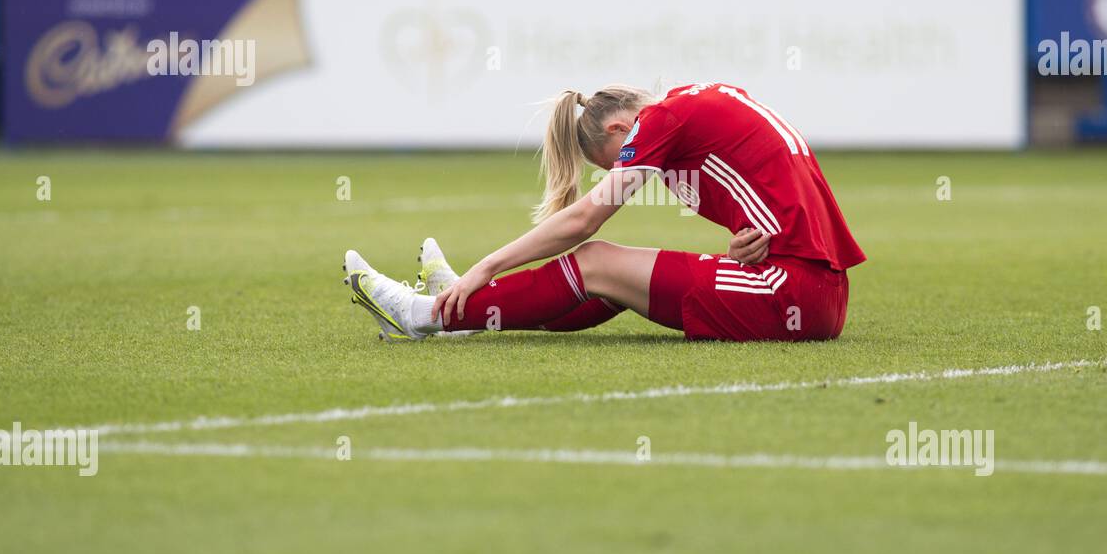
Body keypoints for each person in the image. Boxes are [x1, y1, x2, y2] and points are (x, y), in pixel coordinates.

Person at [342, 83, 865, 343]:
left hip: (793, 292)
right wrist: (744, 247)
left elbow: (583, 220)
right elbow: (782, 197)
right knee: (613, 281)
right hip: (815, 290)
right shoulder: (704, 102)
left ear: (620, 131)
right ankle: (469, 316)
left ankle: (426, 316)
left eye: (614, 164)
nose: (627, 174)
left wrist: (488, 266)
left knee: (595, 260)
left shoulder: (661, 120)